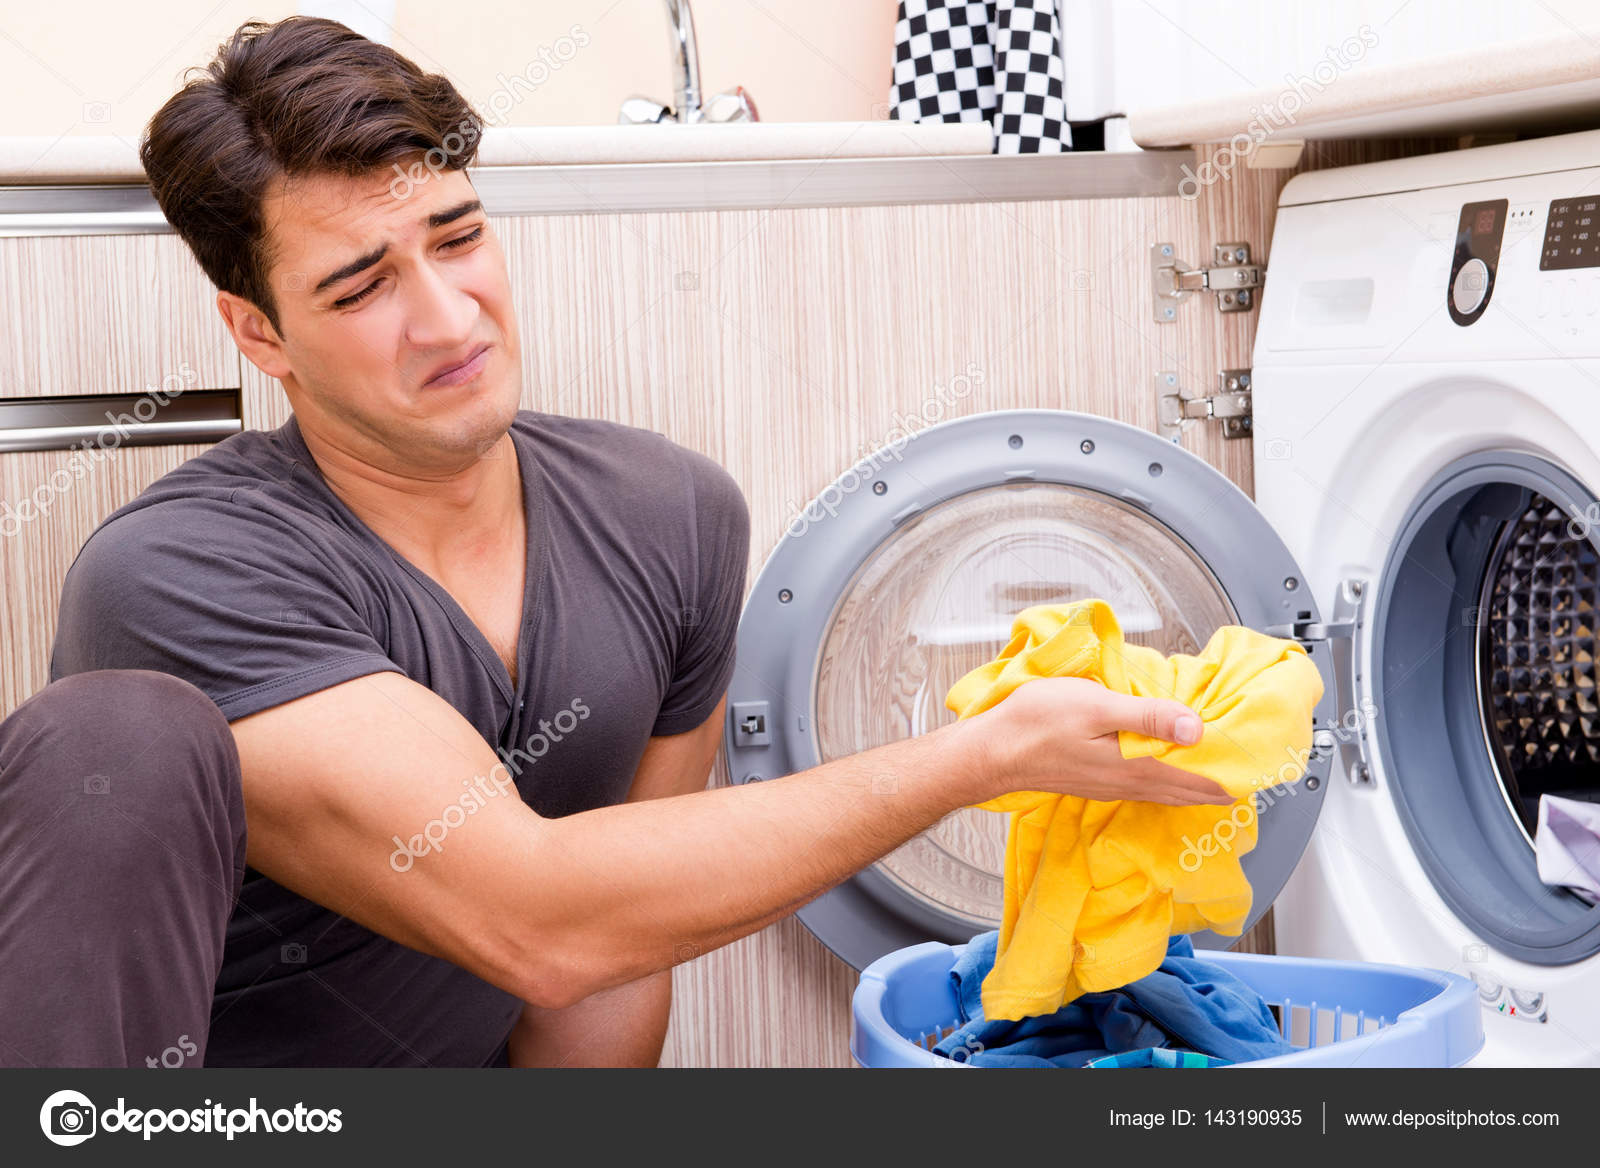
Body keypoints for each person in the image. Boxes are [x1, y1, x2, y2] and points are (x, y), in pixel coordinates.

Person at [0, 16, 1229, 1069]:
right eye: (360, 286)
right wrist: (976, 758)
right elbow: (534, 918)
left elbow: (607, 955)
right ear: (259, 334)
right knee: (113, 730)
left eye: (458, 234)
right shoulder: (183, 573)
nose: (446, 317)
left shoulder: (667, 514)